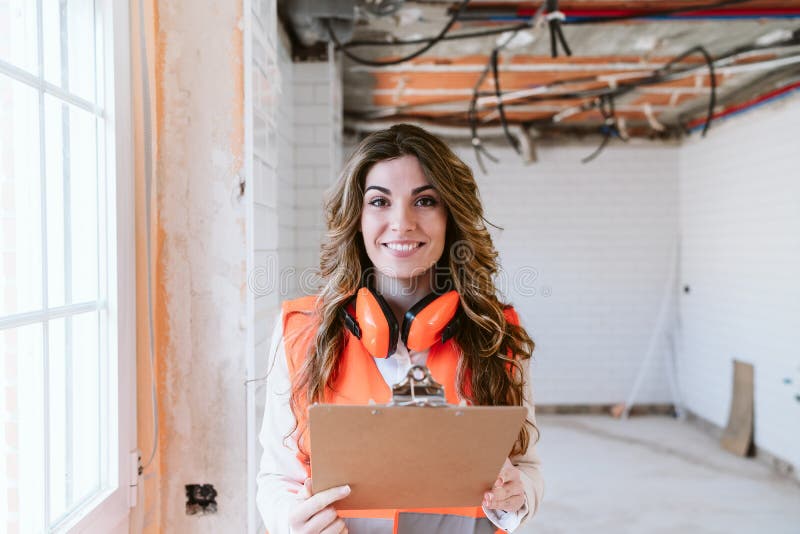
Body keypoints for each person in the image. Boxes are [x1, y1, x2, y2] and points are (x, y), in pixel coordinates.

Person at [257, 124, 543, 534]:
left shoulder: (496, 334)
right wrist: (292, 523)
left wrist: (519, 495)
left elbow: (527, 467)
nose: (402, 222)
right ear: (357, 218)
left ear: (450, 216)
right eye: (380, 201)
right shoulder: (300, 333)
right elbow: (275, 478)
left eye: (424, 201)